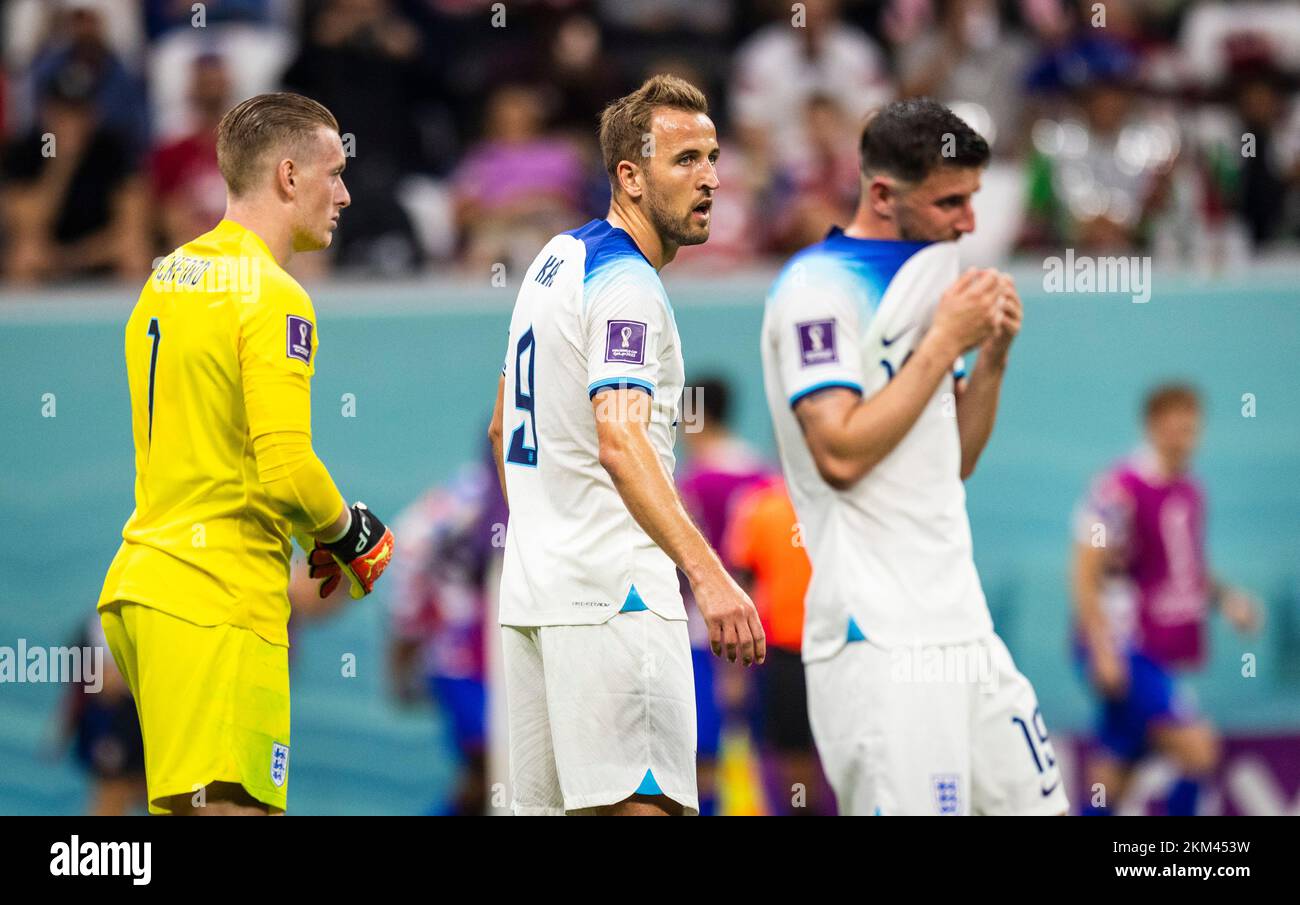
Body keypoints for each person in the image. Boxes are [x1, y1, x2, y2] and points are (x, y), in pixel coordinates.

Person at [760, 98, 1067, 815]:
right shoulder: (818, 288)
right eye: (950, 202)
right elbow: (837, 451)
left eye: (975, 199)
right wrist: (942, 343)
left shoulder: (936, 280)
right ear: (882, 194)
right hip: (879, 641)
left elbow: (951, 459)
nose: (969, 222)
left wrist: (990, 359)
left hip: (962, 624)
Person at [97, 92, 395, 815]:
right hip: (219, 598)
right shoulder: (274, 293)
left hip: (148, 591)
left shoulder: (165, 278)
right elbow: (286, 464)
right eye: (335, 172)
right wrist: (351, 534)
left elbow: (218, 447)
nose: (346, 193)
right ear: (289, 177)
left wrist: (308, 531)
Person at [488, 74, 764, 817]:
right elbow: (620, 436)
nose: (709, 177)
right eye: (685, 161)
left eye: (712, 157)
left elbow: (498, 431)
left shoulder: (553, 262)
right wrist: (706, 575)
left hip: (535, 600)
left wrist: (555, 536)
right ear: (630, 177)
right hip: (618, 600)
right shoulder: (627, 285)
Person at [1072, 384, 1260, 816]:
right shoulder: (1119, 488)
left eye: (1190, 428)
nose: (1182, 437)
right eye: (1173, 427)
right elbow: (1084, 568)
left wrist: (1228, 600)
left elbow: (1187, 563)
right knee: (1198, 750)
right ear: (1152, 427)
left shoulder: (1190, 490)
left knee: (1114, 773)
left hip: (1156, 650)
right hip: (1124, 647)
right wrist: (1102, 648)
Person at [676, 375, 771, 815]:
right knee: (765, 753)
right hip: (764, 632)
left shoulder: (691, 486)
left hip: (702, 633)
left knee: (702, 755)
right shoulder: (763, 477)